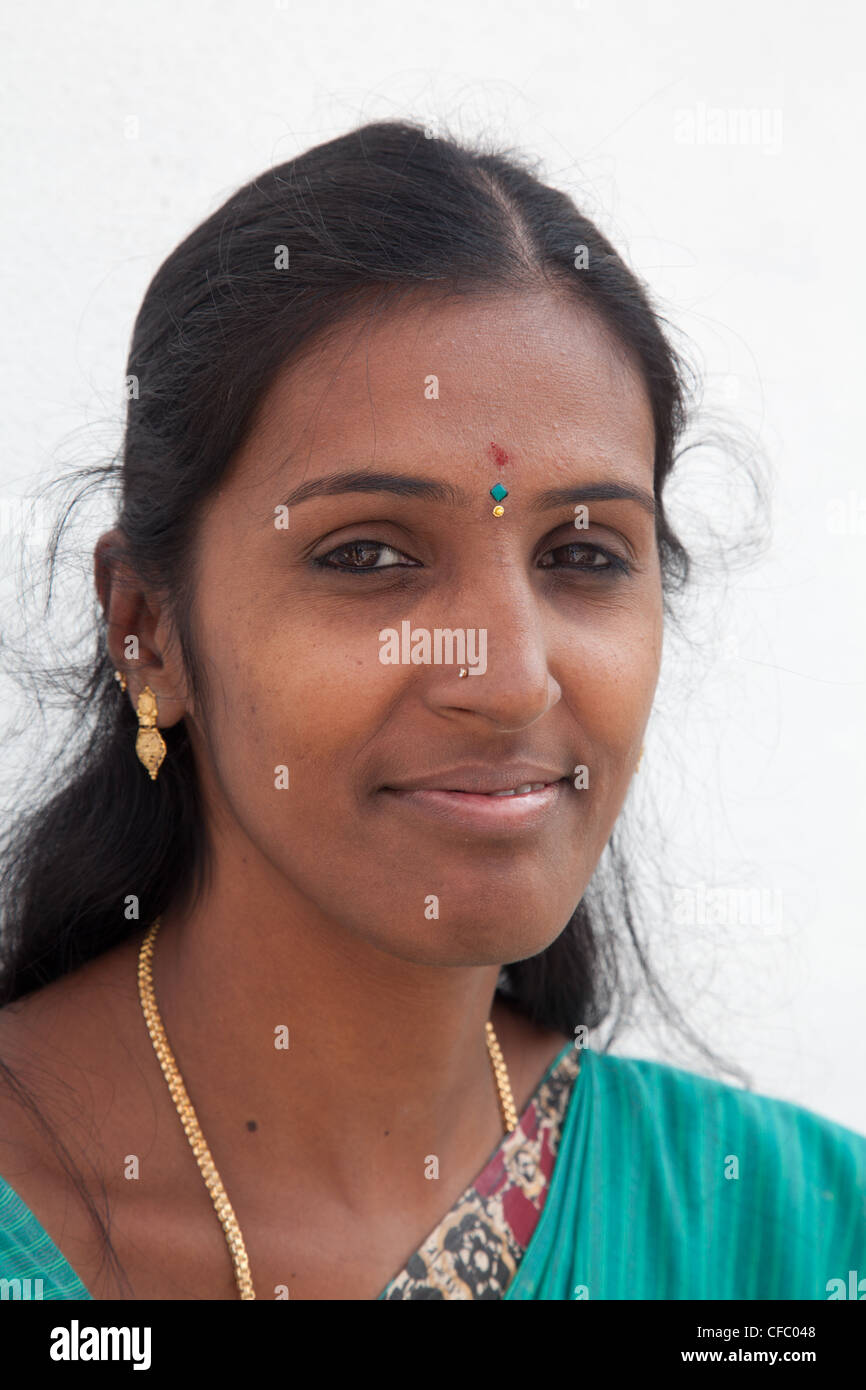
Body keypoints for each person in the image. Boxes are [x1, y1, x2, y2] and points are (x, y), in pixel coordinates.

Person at [0, 119, 862, 1302]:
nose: (509, 677)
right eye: (367, 556)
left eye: (582, 552)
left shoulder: (795, 1241)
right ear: (148, 630)